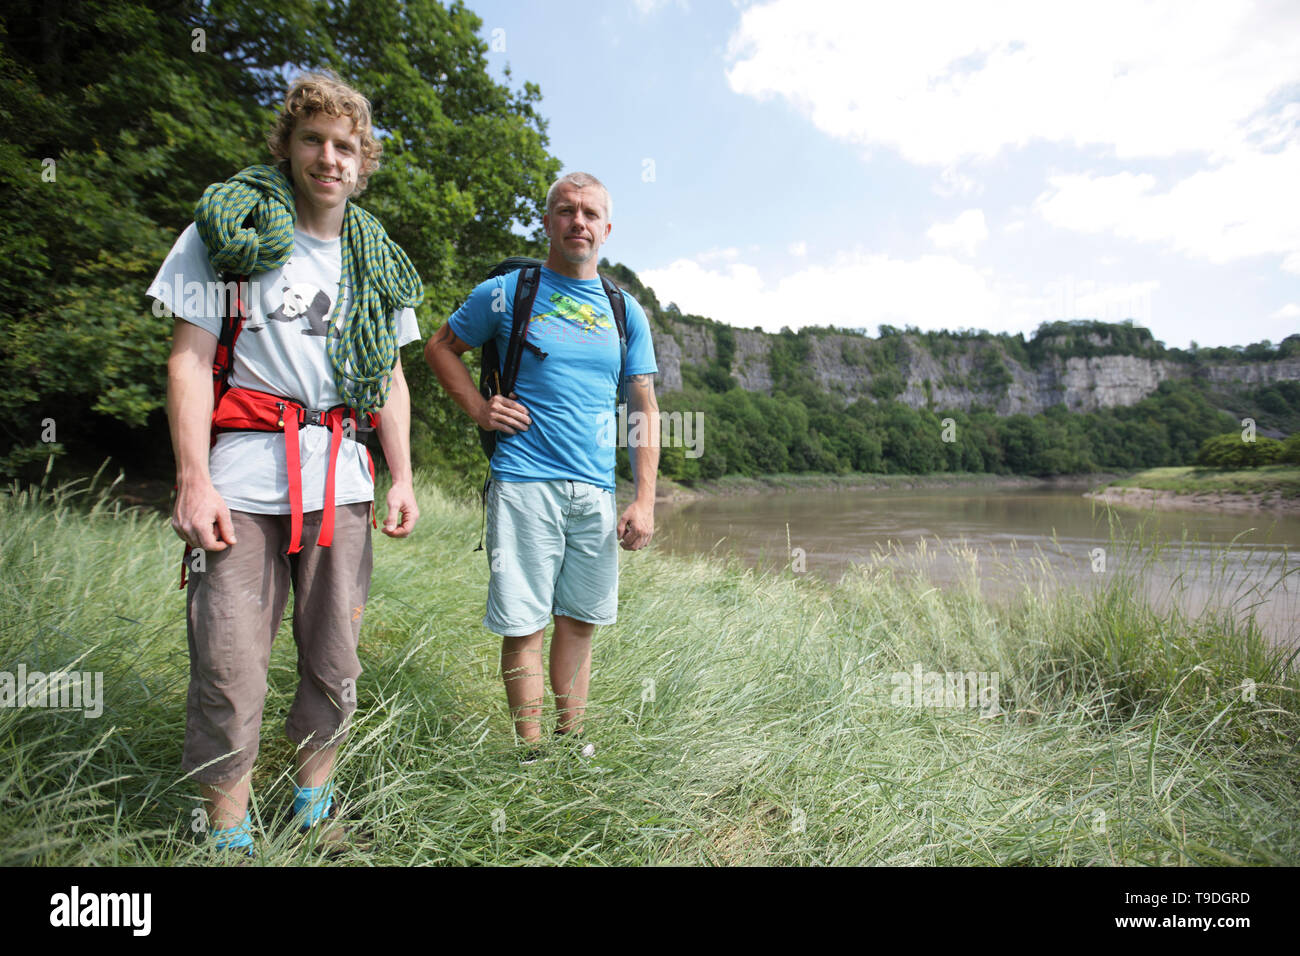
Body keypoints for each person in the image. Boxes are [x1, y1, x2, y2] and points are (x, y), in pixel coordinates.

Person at [149, 71, 423, 855]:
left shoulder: (380, 261)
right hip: (241, 478)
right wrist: (193, 478)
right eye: (313, 140)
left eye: (345, 145)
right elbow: (189, 362)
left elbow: (389, 378)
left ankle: (314, 805)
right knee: (229, 662)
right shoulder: (227, 232)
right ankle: (225, 835)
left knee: (335, 658)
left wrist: (400, 475)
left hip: (342, 483)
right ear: (288, 146)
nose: (329, 158)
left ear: (363, 161)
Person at [424, 171, 659, 758]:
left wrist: (645, 497)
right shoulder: (507, 293)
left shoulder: (625, 310)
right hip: (523, 483)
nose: (577, 221)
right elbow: (439, 348)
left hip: (596, 490)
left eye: (589, 213)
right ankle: (533, 757)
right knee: (524, 626)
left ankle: (571, 743)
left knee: (580, 622)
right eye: (565, 210)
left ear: (606, 228)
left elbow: (643, 406)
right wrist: (479, 409)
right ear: (548, 221)